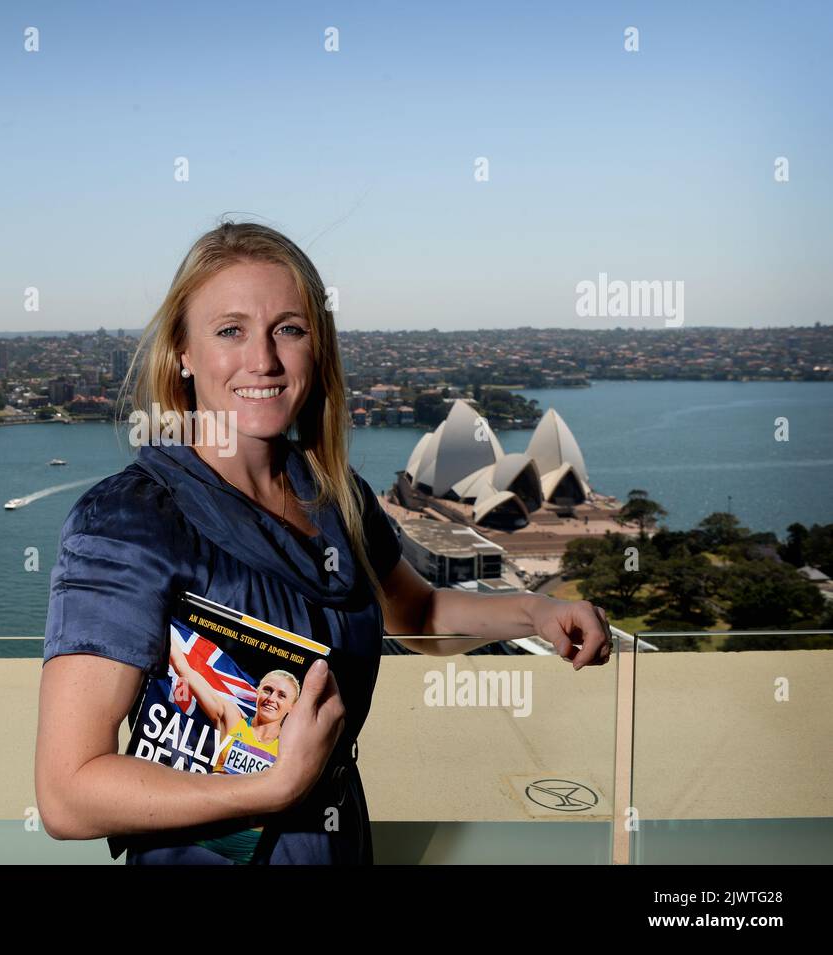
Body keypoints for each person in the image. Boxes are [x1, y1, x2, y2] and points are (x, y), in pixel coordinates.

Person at [35, 220, 613, 865]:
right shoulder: (128, 522)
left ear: (319, 347)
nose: (264, 359)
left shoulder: (336, 496)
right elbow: (67, 794)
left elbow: (417, 616)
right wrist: (275, 787)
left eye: (289, 328)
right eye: (230, 331)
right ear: (183, 354)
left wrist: (536, 611)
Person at [167, 634, 300, 862]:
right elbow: (184, 669)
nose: (271, 698)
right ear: (257, 692)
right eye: (267, 690)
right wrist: (162, 620)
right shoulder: (232, 720)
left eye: (282, 695)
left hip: (247, 849)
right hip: (204, 832)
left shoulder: (290, 748)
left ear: (291, 707)